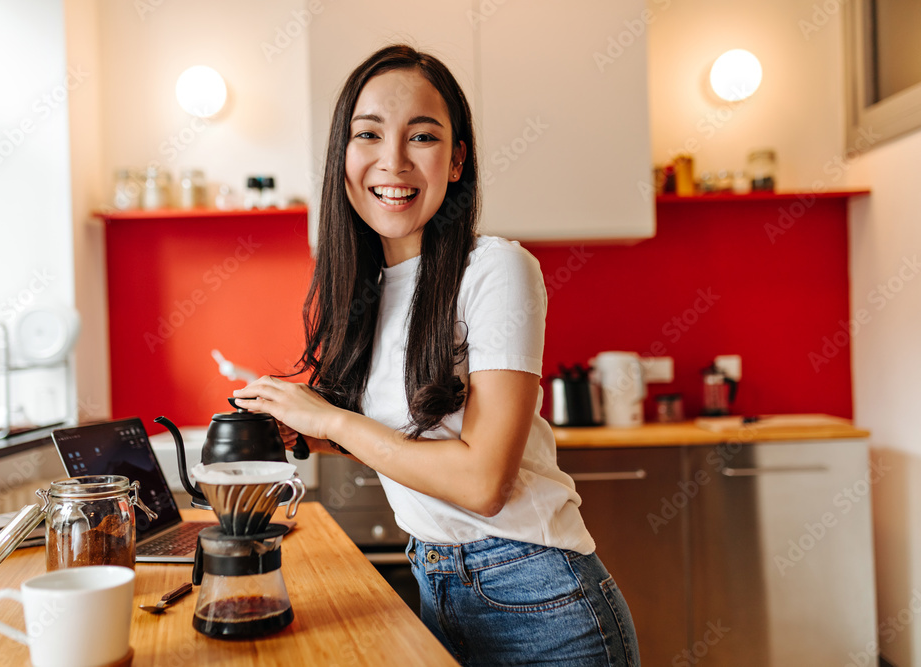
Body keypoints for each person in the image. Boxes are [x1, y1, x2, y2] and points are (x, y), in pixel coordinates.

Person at [234, 44, 640, 667]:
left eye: (421, 136)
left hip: (538, 601)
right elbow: (415, 439)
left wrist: (331, 419)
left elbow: (483, 483)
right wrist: (308, 432)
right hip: (437, 584)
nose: (393, 160)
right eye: (368, 133)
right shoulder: (366, 290)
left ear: (456, 161)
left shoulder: (496, 269)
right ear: (343, 155)